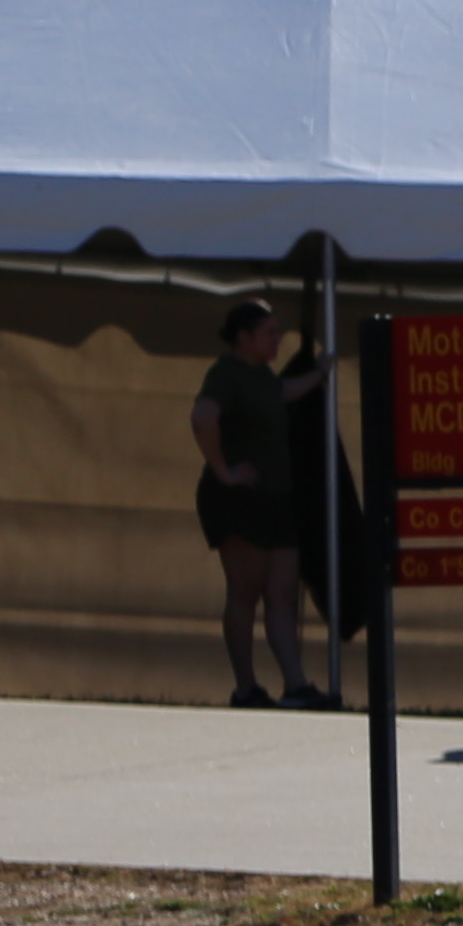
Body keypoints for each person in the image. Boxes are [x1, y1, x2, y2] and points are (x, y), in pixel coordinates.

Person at [190, 295, 325, 709]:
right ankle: (246, 687)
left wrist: (322, 370)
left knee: (282, 593)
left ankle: (296, 684)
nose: (277, 339)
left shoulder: (263, 376)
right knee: (245, 592)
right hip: (240, 501)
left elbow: (285, 391)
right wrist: (223, 471)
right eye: (269, 333)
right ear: (244, 337)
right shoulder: (226, 373)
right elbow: (203, 417)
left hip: (278, 499)